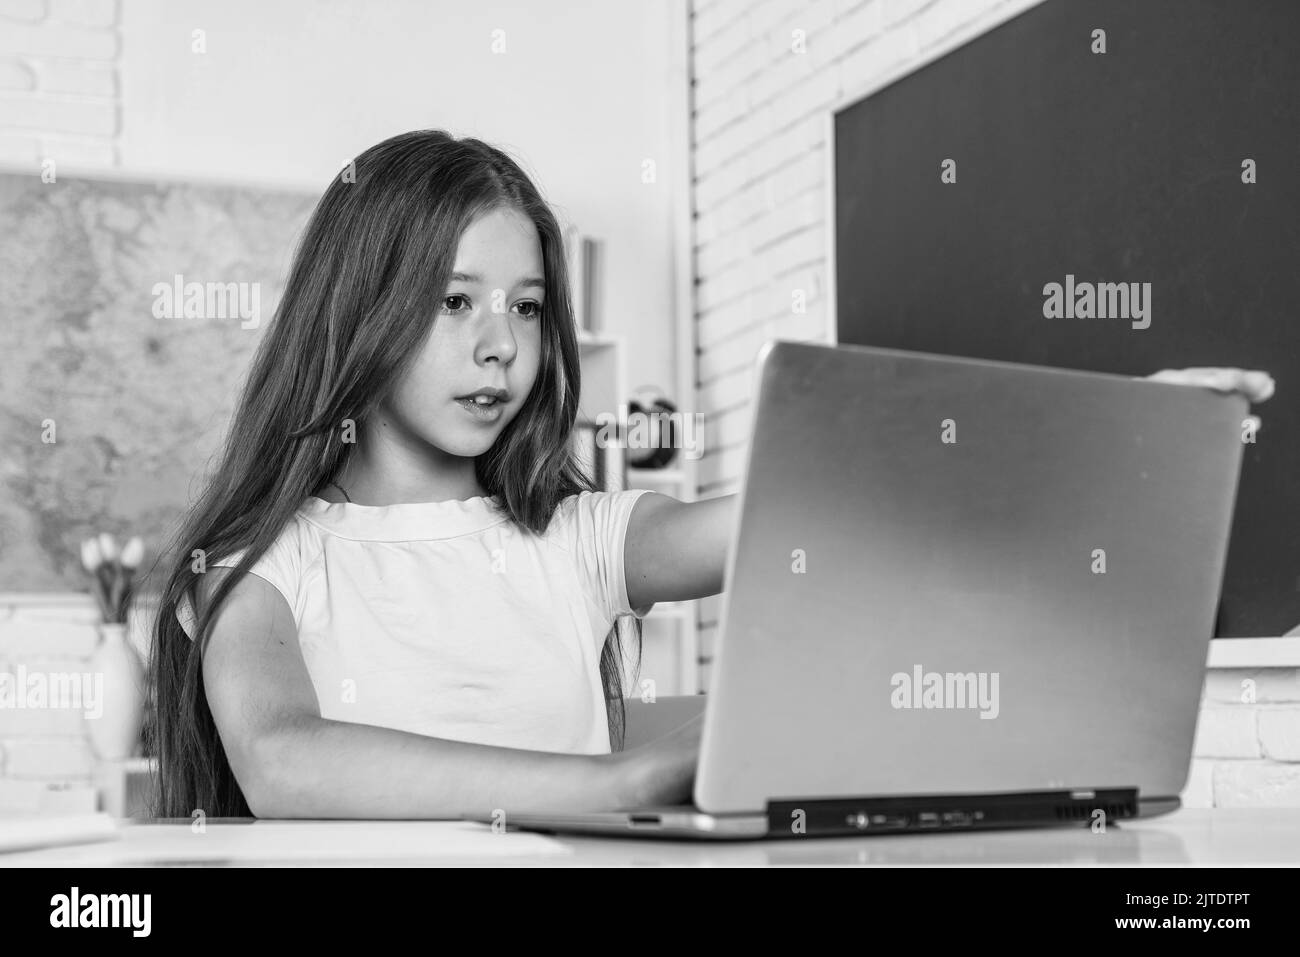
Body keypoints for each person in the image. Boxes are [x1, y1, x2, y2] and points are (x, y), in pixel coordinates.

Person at [150, 129, 1274, 821]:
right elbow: (288, 763)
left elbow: (827, 518)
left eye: (528, 307)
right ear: (358, 307)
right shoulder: (255, 564)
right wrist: (618, 786)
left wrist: (1107, 430)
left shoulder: (578, 536)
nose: (501, 344)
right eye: (454, 301)